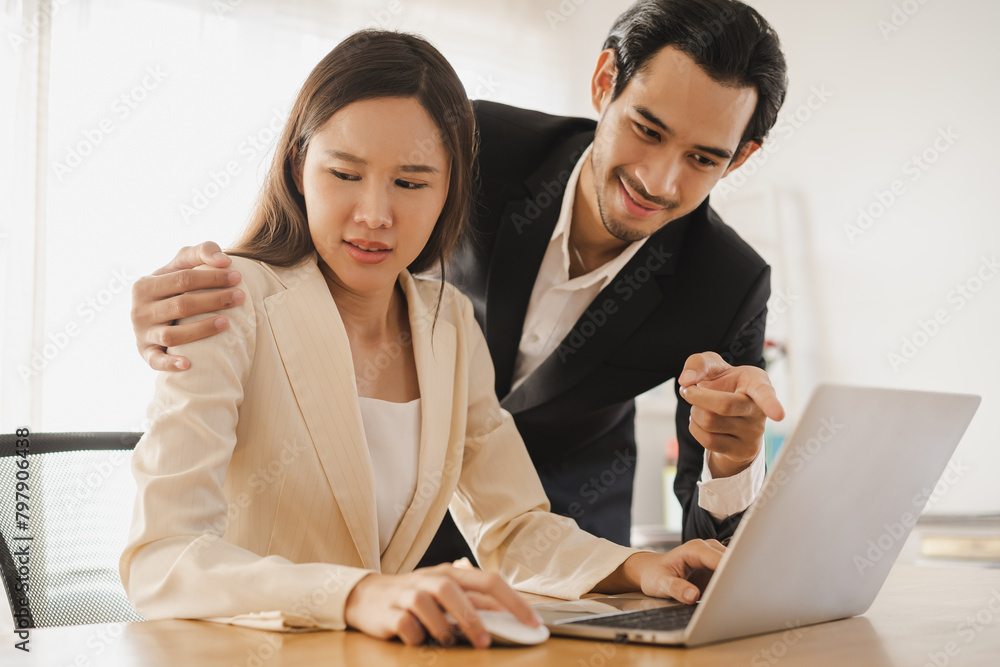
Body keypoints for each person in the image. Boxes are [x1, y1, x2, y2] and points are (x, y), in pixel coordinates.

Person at [119, 30, 728, 649]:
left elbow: (512, 527)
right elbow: (161, 556)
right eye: (345, 173)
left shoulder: (448, 323)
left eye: (411, 184)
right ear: (299, 166)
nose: (375, 214)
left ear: (448, 191)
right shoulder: (225, 301)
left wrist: (639, 567)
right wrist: (355, 594)